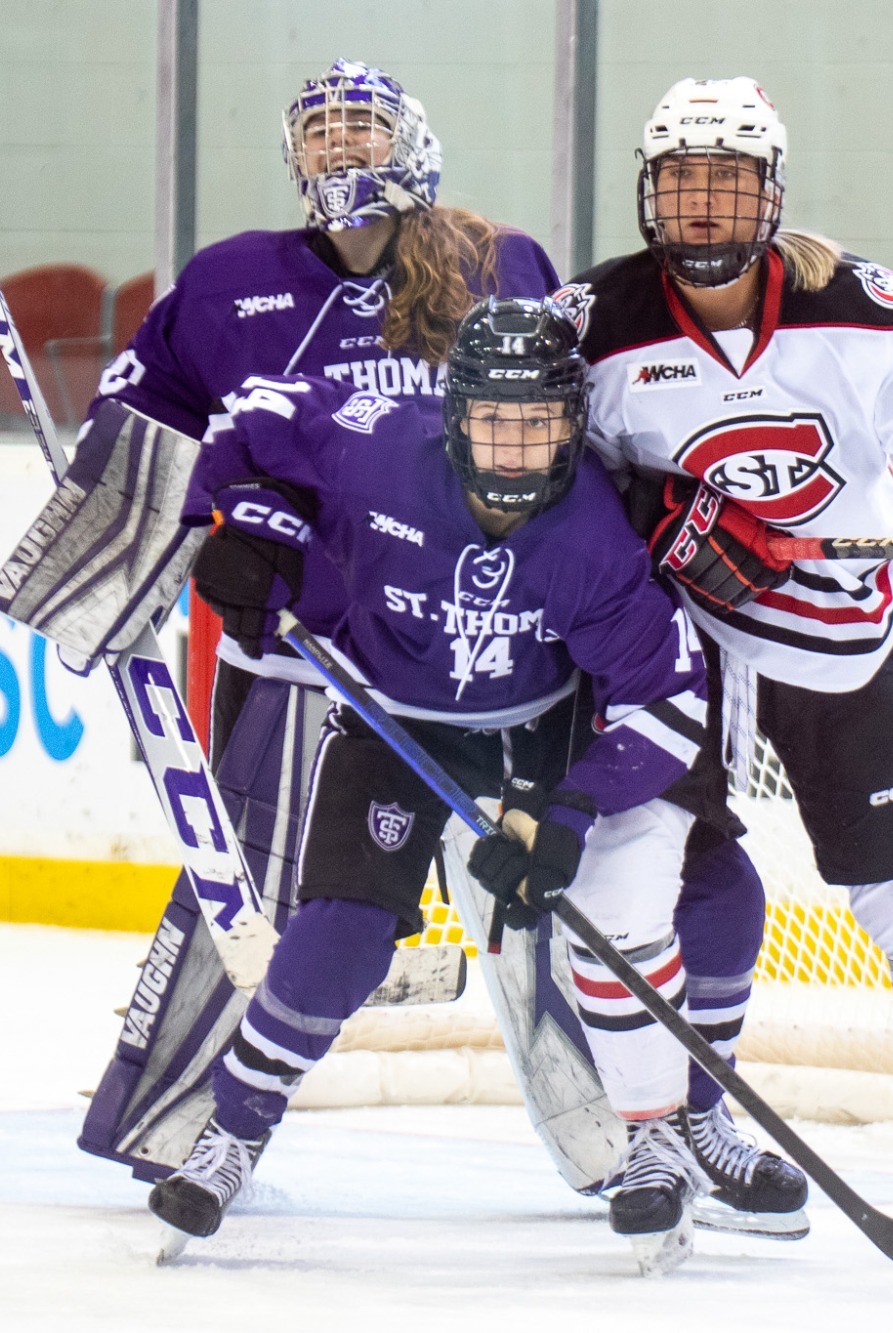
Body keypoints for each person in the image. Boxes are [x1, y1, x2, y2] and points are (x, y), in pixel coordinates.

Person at [555, 77, 893, 1232]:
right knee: (623, 888)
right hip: (670, 656)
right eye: (680, 182)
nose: (703, 206)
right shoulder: (596, 323)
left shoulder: (863, 306)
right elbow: (540, 476)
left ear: (771, 194)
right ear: (647, 193)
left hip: (838, 641)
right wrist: (655, 507)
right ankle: (654, 1140)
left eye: (729, 181)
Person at [152, 297, 732, 1271]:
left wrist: (570, 810)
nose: (513, 448)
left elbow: (668, 701)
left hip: (540, 728)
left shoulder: (588, 536)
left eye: (538, 423)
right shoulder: (373, 448)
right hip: (397, 717)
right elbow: (231, 430)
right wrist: (242, 536)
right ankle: (234, 1130)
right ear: (452, 414)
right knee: (340, 933)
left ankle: (662, 1135)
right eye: (493, 422)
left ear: (572, 422)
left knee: (667, 902)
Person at [77, 59, 561, 1178]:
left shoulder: (499, 265)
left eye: (364, 127)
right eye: (319, 134)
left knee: (548, 890)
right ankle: (179, 1123)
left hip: (486, 650)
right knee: (240, 889)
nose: (341, 150)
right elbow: (139, 427)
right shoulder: (228, 284)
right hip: (303, 658)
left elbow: (570, 429)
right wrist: (204, 521)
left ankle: (628, 1132)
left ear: (416, 141)